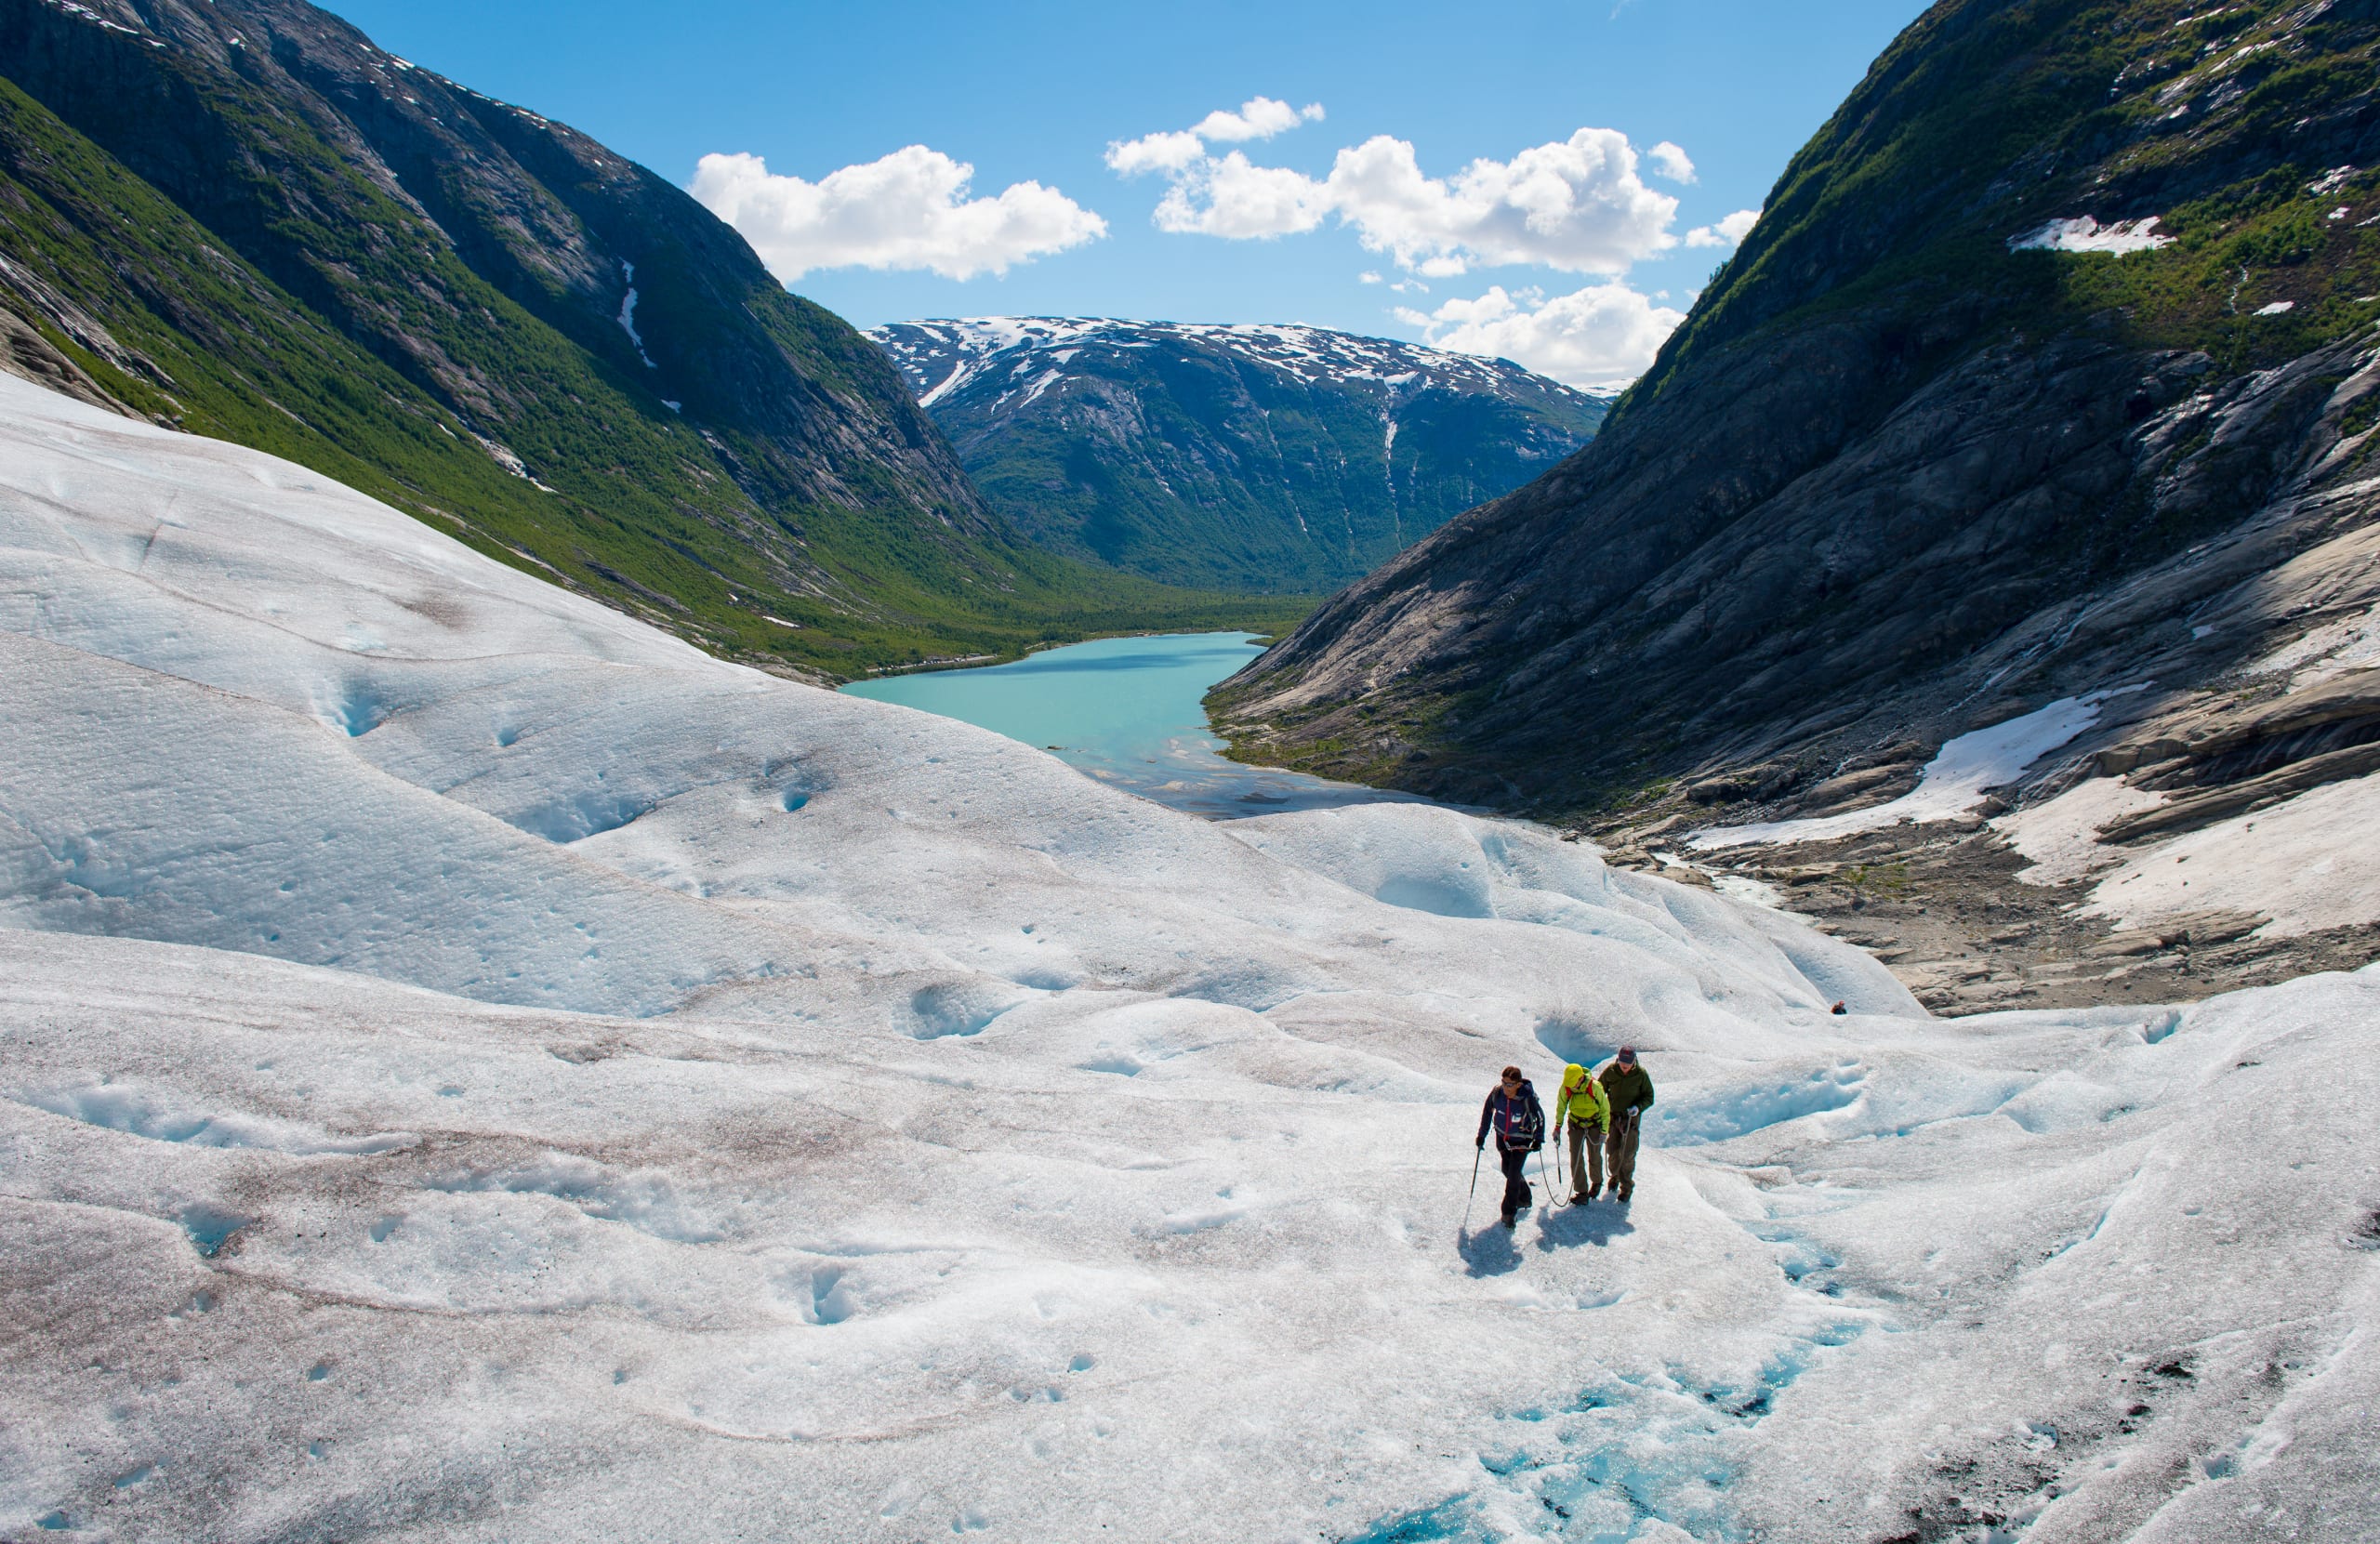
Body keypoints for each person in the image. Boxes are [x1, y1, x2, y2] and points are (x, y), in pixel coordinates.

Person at [1474, 1064, 1545, 1227]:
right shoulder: (1496, 1094)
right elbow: (1487, 1113)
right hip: (1502, 1138)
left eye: (1509, 1084)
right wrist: (1481, 1135)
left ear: (1518, 1084)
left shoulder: (1527, 1098)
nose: (1506, 1087)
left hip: (1522, 1140)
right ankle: (1525, 1197)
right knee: (1507, 1170)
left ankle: (1508, 1212)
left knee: (1513, 1175)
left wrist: (1538, 1139)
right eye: (1504, 1083)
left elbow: (1540, 1117)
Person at [1597, 1045, 1656, 1204]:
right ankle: (1614, 1176)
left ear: (1634, 1062)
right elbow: (1599, 1089)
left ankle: (1626, 1187)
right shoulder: (1611, 1071)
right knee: (1612, 1149)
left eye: (1627, 1064)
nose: (1624, 1066)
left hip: (1631, 1119)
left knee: (1628, 1153)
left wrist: (1638, 1107)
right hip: (1613, 1117)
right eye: (1622, 1063)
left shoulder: (1641, 1075)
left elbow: (1649, 1096)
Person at [1554, 1061, 1611, 1203]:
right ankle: (1582, 1192)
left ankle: (1597, 1182)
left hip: (1595, 1124)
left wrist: (1604, 1131)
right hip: (1576, 1124)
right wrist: (1557, 1126)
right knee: (1576, 1158)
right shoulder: (1566, 1087)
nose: (1572, 1086)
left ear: (1581, 1078)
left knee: (1594, 1156)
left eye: (1574, 1082)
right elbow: (1561, 1106)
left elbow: (1605, 1109)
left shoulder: (1594, 1087)